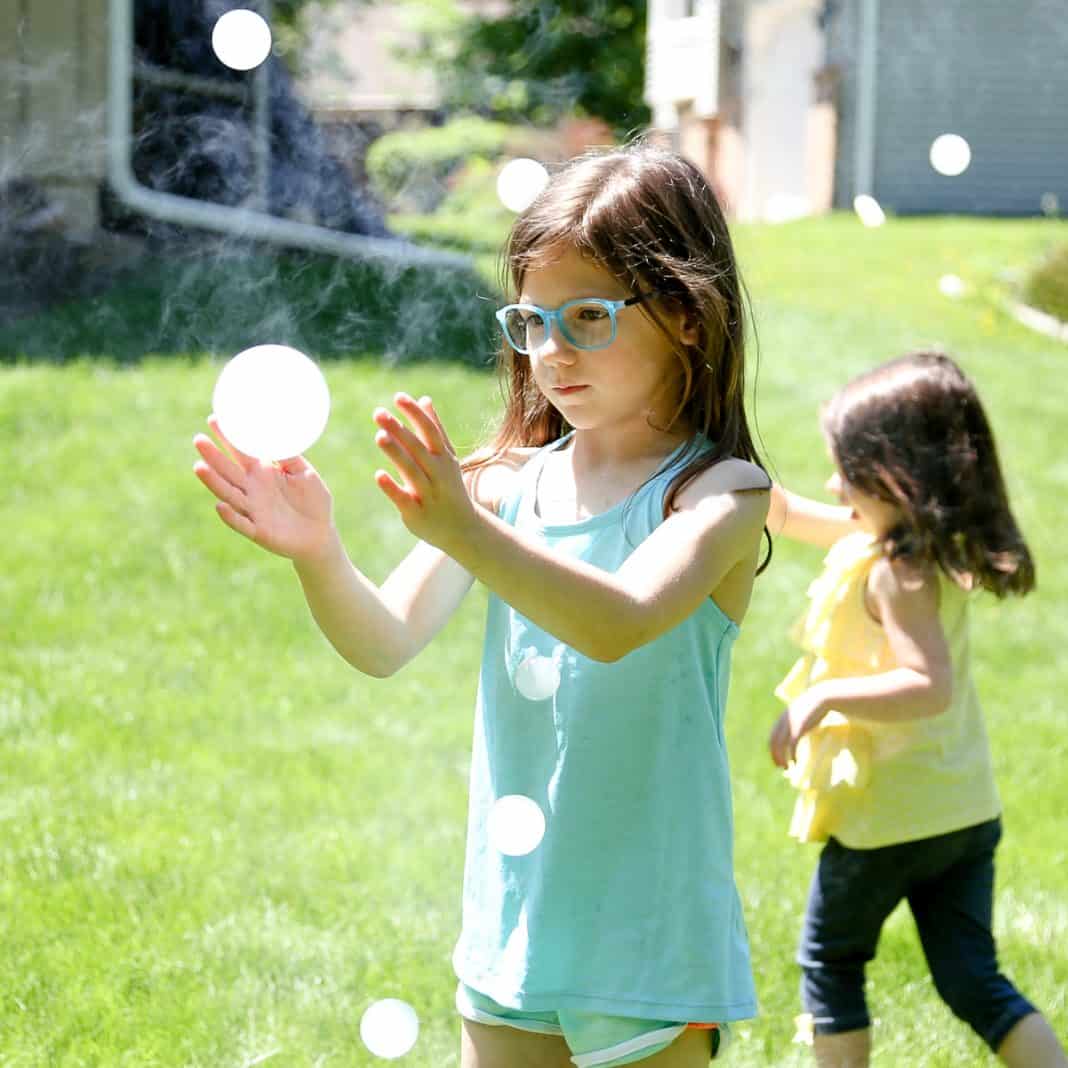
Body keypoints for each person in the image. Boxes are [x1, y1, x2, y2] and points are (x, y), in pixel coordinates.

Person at [193, 142, 772, 1068]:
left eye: (586, 316)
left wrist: (467, 530)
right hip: (514, 932)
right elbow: (384, 641)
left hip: (649, 941)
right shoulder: (504, 490)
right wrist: (319, 553)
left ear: (687, 316)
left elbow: (618, 621)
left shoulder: (717, 496)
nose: (549, 352)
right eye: (532, 321)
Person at [766, 351, 1068, 1068]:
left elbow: (927, 683)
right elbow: (786, 512)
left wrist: (820, 697)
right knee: (974, 983)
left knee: (831, 963)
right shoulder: (920, 544)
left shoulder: (899, 574)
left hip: (888, 818)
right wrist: (725, 471)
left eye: (848, 470)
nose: (834, 485)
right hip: (962, 812)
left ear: (898, 477)